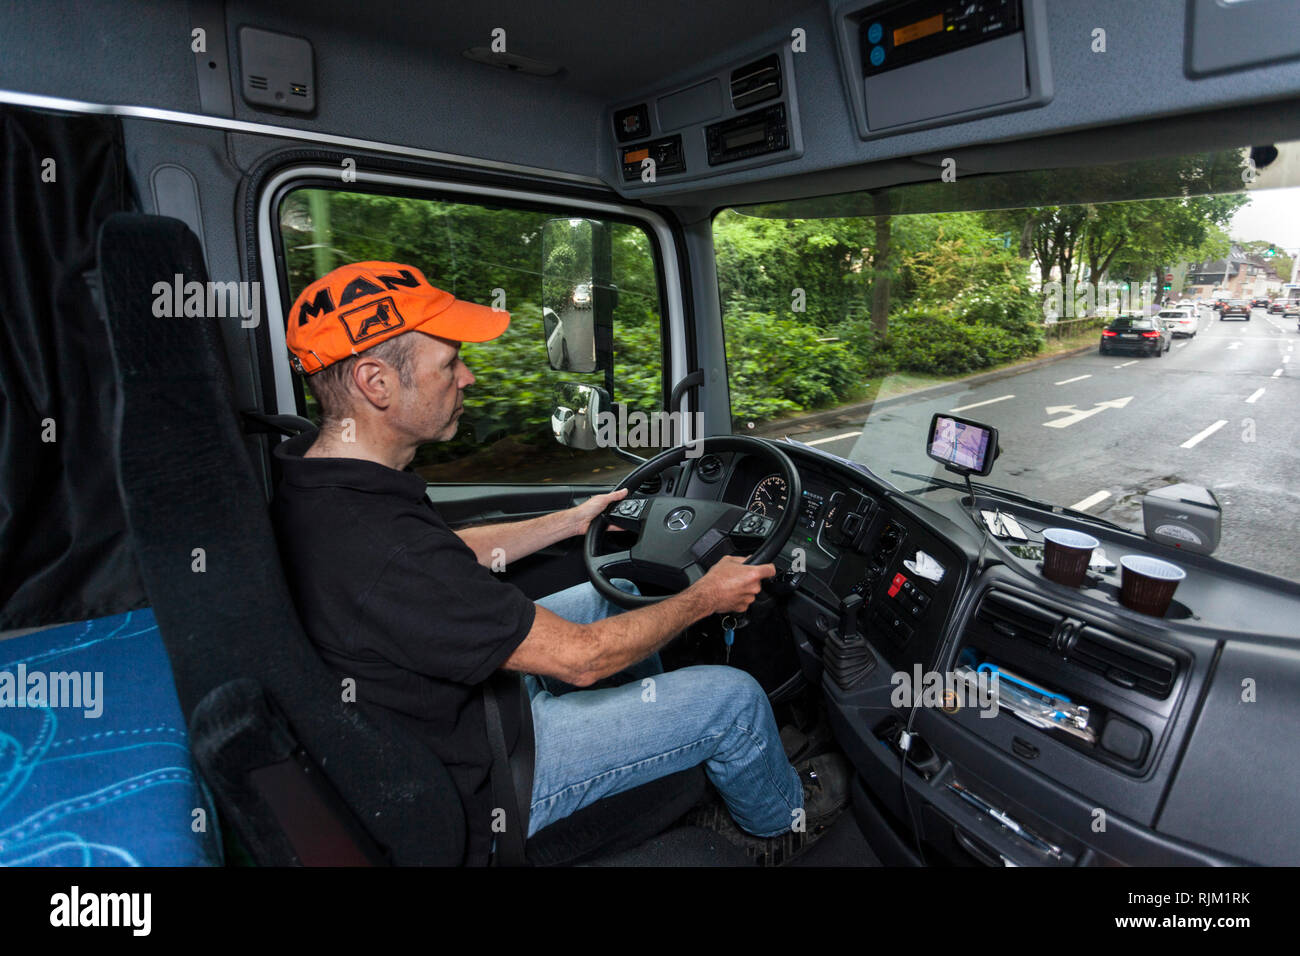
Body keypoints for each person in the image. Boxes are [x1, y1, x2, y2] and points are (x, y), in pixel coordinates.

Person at [270, 261, 846, 866]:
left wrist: (571, 521)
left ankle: (656, 741)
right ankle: (781, 824)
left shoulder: (323, 482)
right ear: (375, 382)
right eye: (449, 362)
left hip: (468, 703)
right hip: (488, 774)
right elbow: (581, 659)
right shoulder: (376, 543)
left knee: (616, 588)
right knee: (732, 699)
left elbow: (448, 556)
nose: (466, 377)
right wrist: (707, 596)